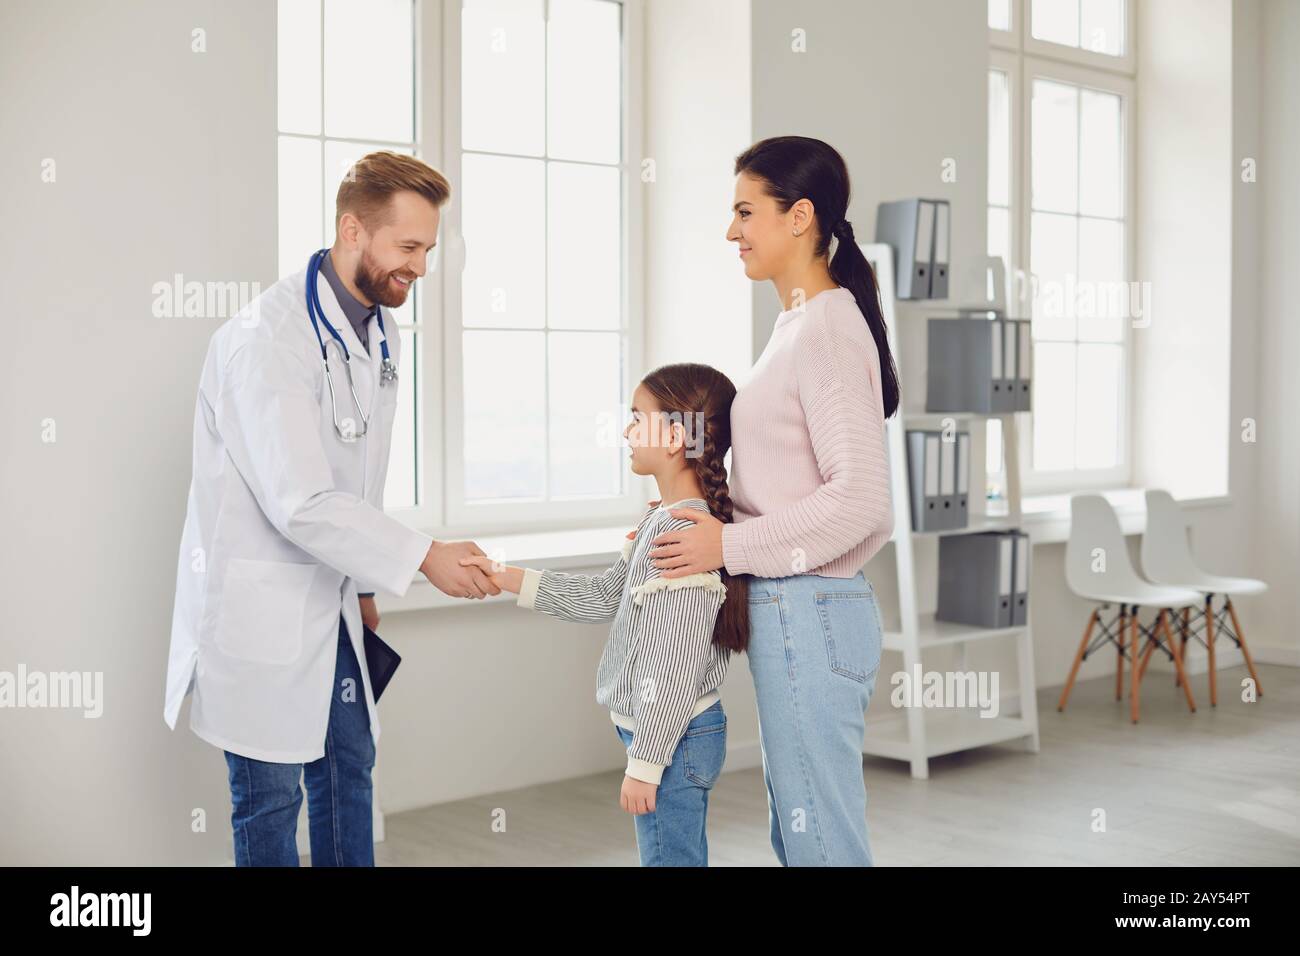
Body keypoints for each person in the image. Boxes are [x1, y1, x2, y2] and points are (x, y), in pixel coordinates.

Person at [163, 151, 501, 867]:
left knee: (350, 770)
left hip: (336, 597)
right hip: (261, 611)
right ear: (354, 229)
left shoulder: (379, 329)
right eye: (409, 247)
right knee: (270, 798)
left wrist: (370, 584)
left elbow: (359, 471)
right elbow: (304, 501)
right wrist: (422, 557)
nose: (421, 267)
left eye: (429, 250)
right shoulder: (266, 342)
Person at [641, 136, 901, 866]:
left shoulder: (824, 328)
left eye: (746, 211)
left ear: (801, 217)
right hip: (798, 612)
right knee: (801, 834)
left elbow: (861, 503)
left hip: (810, 612)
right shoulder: (798, 325)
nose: (733, 231)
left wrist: (723, 546)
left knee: (818, 838)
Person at [462, 364, 749, 866]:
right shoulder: (665, 518)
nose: (626, 431)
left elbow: (674, 670)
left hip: (673, 738)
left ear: (677, 437)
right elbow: (602, 598)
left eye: (638, 418)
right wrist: (505, 577)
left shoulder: (682, 534)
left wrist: (646, 763)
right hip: (668, 735)